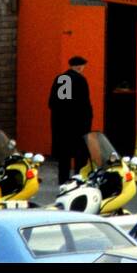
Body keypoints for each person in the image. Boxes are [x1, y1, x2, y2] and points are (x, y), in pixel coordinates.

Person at [48, 56, 93, 185]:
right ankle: (77, 181)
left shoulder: (61, 79)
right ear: (80, 67)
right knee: (80, 156)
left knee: (64, 157)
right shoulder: (80, 80)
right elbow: (84, 105)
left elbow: (53, 103)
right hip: (77, 125)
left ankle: (63, 182)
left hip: (61, 125)